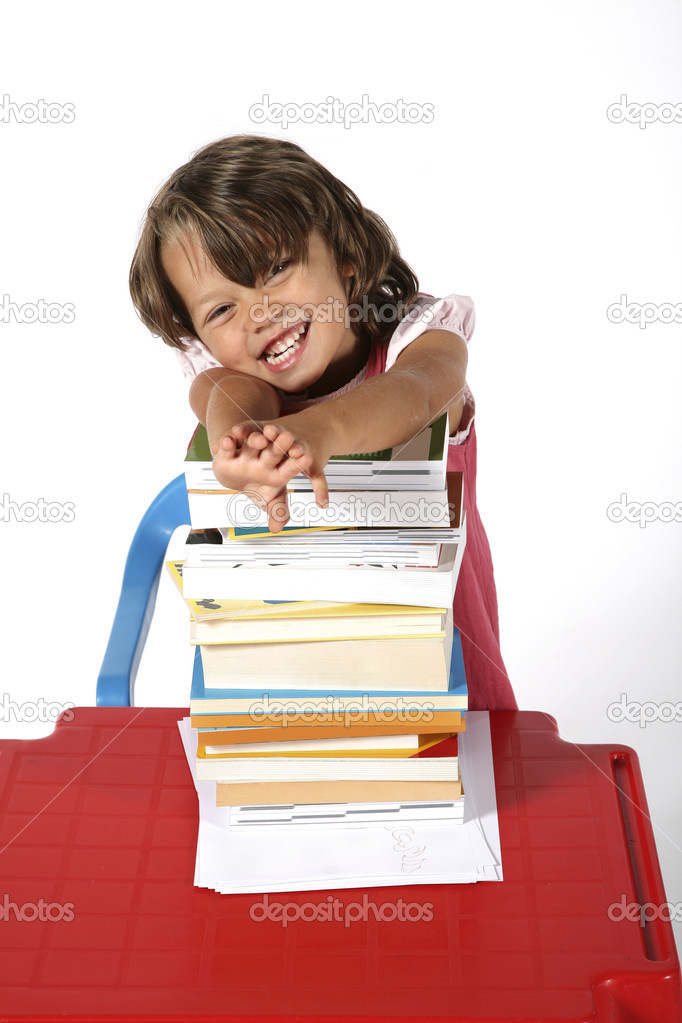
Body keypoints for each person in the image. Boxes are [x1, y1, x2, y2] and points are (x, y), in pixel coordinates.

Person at [129, 135, 517, 710]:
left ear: (345, 254)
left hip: (442, 670)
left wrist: (320, 432)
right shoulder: (230, 380)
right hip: (292, 678)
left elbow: (417, 389)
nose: (260, 314)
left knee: (461, 756)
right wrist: (243, 445)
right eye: (222, 309)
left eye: (276, 269)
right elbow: (230, 397)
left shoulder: (421, 340)